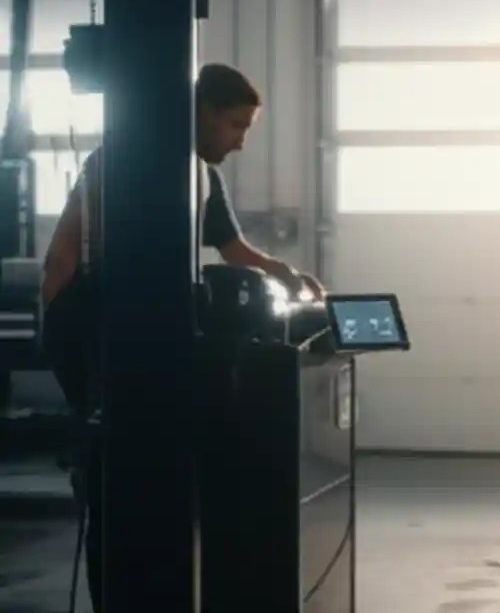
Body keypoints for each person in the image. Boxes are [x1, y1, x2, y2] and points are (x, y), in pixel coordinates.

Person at [39, 62, 325, 612]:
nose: (240, 141)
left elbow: (233, 249)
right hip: (97, 336)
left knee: (152, 479)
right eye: (235, 126)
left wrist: (285, 274)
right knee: (112, 482)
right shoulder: (123, 161)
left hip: (144, 339)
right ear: (203, 113)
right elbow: (64, 255)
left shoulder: (198, 174)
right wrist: (73, 345)